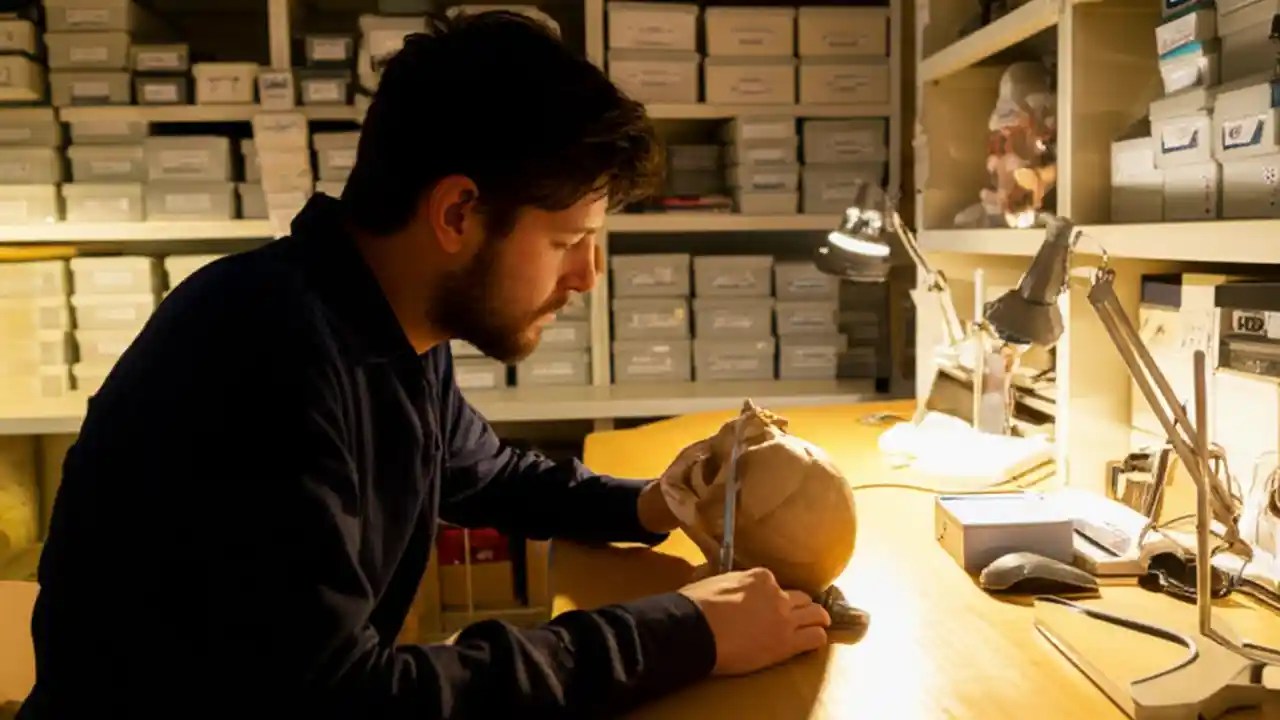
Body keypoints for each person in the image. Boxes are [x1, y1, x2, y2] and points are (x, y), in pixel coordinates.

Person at [19, 12, 831, 720]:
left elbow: (488, 473)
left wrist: (654, 505)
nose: (587, 275)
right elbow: (346, 701)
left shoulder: (381, 325)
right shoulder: (263, 357)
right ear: (456, 214)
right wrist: (678, 633)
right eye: (566, 242)